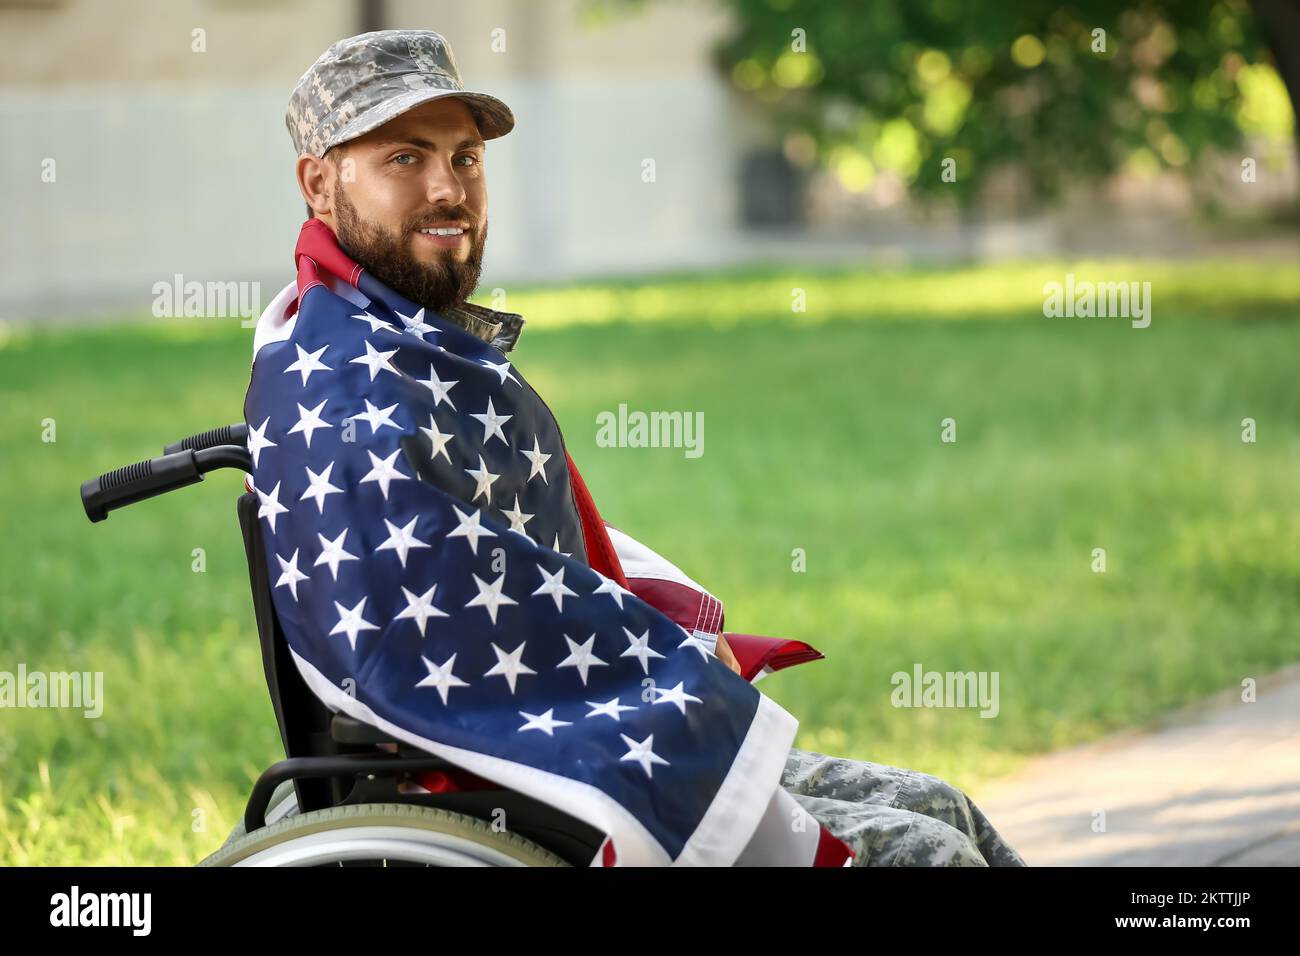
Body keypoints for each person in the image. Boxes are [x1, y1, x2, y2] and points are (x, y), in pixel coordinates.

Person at [246, 28, 1025, 867]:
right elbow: (448, 603)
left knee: (945, 808)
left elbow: (508, 551)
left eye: (466, 159)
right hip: (491, 763)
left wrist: (661, 629)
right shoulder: (343, 376)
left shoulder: (397, 340)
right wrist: (671, 650)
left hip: (557, 729)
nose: (448, 190)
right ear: (319, 184)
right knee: (927, 853)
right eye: (404, 159)